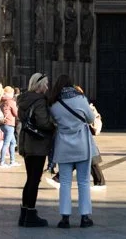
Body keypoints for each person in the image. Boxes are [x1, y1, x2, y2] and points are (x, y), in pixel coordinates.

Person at [48, 75, 98, 228]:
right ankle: (84, 217)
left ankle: (65, 218)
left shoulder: (54, 104)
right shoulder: (80, 99)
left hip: (63, 145)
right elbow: (90, 119)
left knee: (65, 183)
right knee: (83, 181)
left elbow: (53, 122)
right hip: (82, 144)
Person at [16, 73, 56, 227]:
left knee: (30, 179)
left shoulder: (23, 100)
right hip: (38, 144)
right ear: (39, 86)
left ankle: (24, 213)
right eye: (45, 84)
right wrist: (54, 124)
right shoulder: (39, 101)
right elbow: (44, 123)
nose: (47, 87)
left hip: (26, 143)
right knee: (34, 179)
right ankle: (31, 214)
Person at [0, 85, 19, 167]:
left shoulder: (1, 101)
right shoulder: (11, 102)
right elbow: (16, 113)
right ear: (9, 93)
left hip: (3, 124)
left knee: (13, 142)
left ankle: (12, 161)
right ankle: (2, 162)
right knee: (6, 143)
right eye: (12, 93)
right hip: (9, 124)